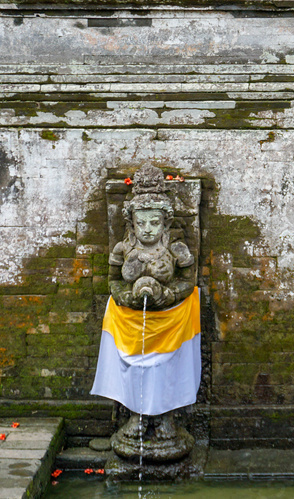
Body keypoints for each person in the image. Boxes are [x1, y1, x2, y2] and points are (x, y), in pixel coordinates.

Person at [91, 164, 199, 462]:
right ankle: (137, 415)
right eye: (142, 223)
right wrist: (125, 295)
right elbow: (112, 280)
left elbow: (189, 281)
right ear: (132, 225)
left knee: (166, 369)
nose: (148, 229)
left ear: (166, 225)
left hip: (170, 320)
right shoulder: (122, 251)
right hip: (130, 319)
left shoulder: (176, 250)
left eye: (154, 222)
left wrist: (169, 294)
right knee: (134, 367)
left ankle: (165, 416)